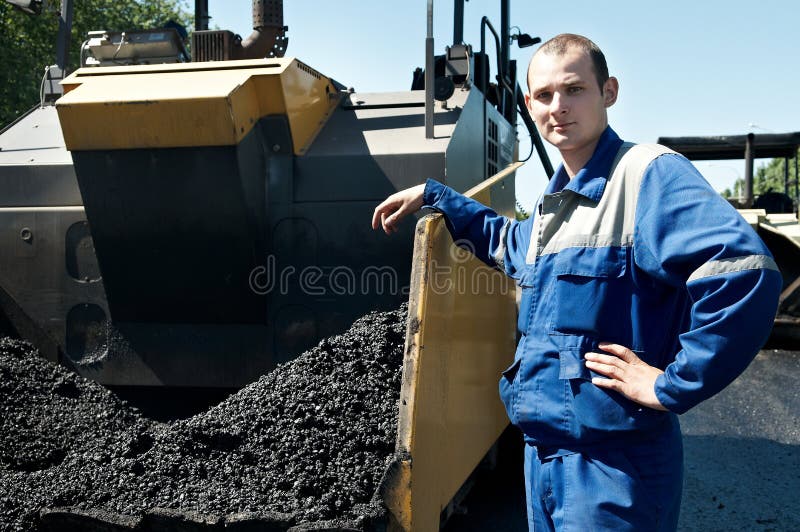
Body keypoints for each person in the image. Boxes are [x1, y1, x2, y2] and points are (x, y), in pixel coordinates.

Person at [372, 33, 782, 531]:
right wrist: (437, 196)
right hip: (543, 462)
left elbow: (745, 272)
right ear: (529, 104)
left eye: (574, 90)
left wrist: (672, 384)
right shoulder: (553, 207)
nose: (558, 107)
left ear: (608, 91)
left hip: (615, 471)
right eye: (543, 96)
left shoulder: (646, 176)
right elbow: (506, 242)